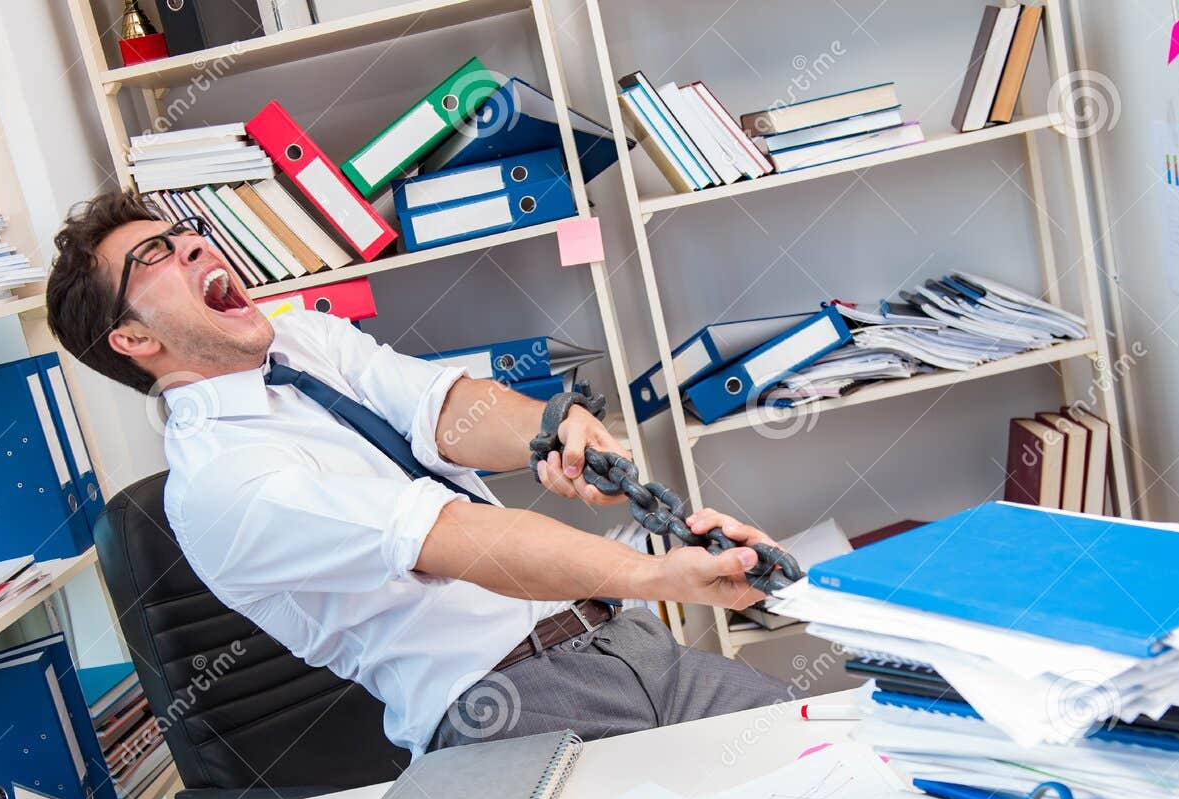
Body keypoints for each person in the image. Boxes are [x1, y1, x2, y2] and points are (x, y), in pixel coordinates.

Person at [45, 193, 790, 757]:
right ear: (134, 337)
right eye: (156, 256)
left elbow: (438, 408)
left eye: (188, 235)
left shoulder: (301, 340)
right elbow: (460, 537)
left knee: (830, 776)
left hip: (624, 642)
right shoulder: (221, 483)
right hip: (508, 704)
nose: (198, 248)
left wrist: (550, 431)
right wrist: (663, 576)